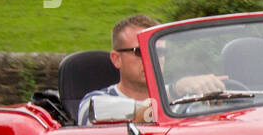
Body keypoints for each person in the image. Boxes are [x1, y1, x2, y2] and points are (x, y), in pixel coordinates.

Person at [77, 15, 225, 125]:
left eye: (159, 52)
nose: (153, 59)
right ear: (116, 59)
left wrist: (215, 104)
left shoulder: (183, 101)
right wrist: (175, 91)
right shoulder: (94, 102)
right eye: (140, 52)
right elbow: (90, 117)